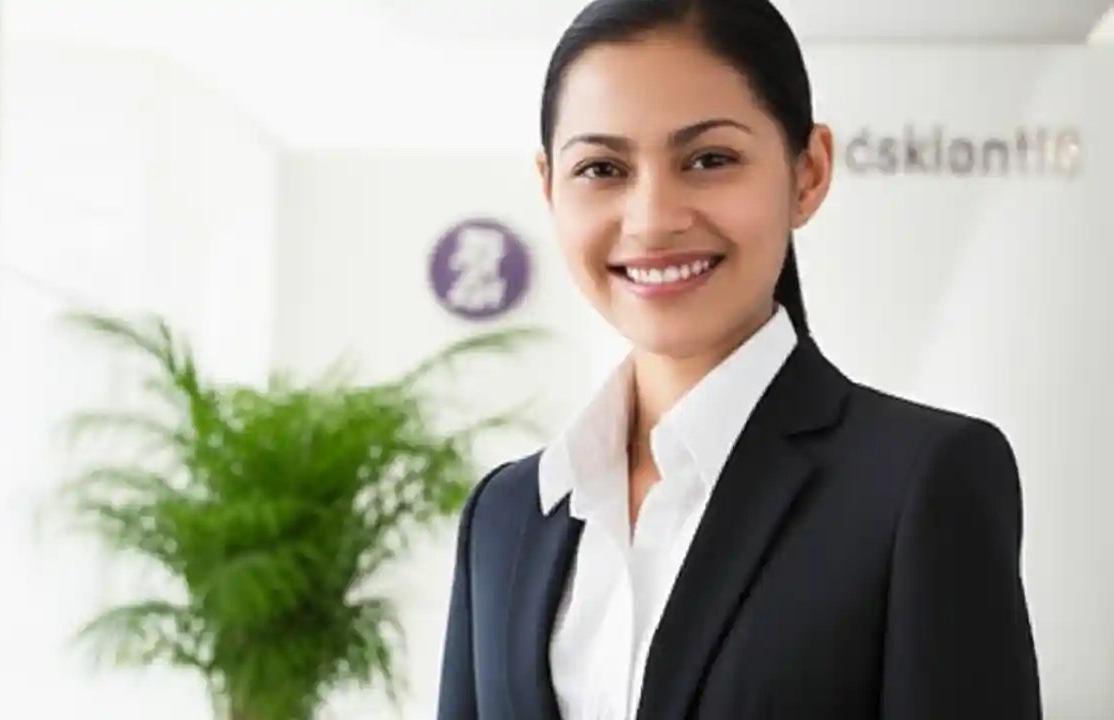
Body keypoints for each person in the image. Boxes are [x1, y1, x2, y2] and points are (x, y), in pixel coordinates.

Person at [436, 0, 1042, 718]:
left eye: (709, 159)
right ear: (549, 189)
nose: (653, 219)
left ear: (809, 173)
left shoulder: (921, 482)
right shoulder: (506, 516)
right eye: (602, 168)